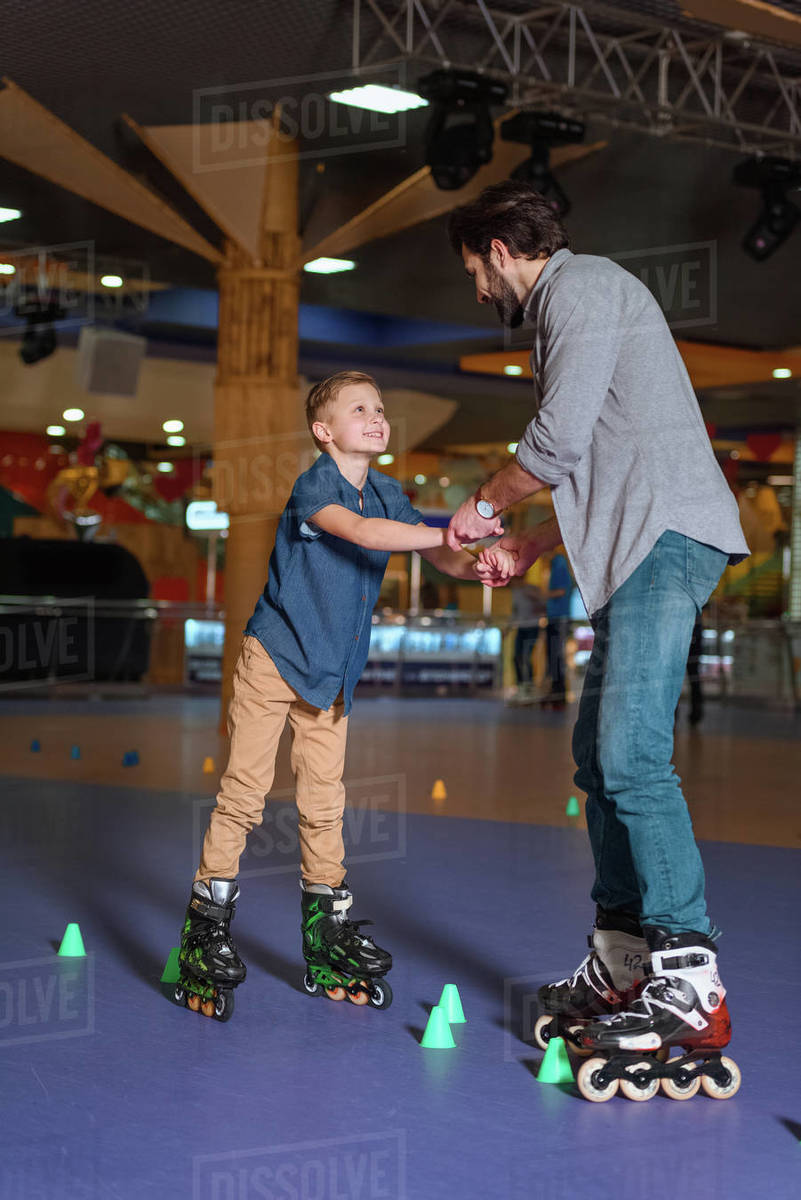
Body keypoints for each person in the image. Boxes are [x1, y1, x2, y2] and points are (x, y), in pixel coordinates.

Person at [447, 181, 749, 1097]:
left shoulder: (576, 291)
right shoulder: (573, 307)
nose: (475, 292)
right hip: (632, 545)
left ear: (501, 249)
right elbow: (603, 452)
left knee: (630, 757)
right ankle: (625, 959)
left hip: (665, 539)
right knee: (596, 757)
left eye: (472, 271)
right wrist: (536, 542)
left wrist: (483, 505)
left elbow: (558, 440)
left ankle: (690, 985)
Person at [175, 370, 489, 1020]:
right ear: (324, 431)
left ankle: (325, 930)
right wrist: (447, 534)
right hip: (275, 656)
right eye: (358, 409)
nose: (375, 418)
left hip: (330, 674)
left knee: (324, 801)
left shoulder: (388, 491)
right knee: (245, 791)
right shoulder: (316, 484)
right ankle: (204, 930)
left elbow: (437, 555)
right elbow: (370, 536)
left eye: (379, 408)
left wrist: (485, 559)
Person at [544, 549, 572, 708]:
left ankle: (559, 694)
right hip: (555, 617)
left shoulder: (559, 562)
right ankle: (556, 691)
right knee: (553, 656)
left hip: (559, 618)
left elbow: (561, 590)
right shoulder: (555, 564)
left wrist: (543, 595)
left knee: (556, 657)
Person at [510, 574, 543, 692]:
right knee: (516, 657)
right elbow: (515, 612)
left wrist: (535, 599)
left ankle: (529, 685)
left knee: (526, 656)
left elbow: (543, 606)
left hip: (533, 627)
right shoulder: (515, 592)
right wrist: (508, 628)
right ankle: (520, 685)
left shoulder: (533, 589)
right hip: (521, 627)